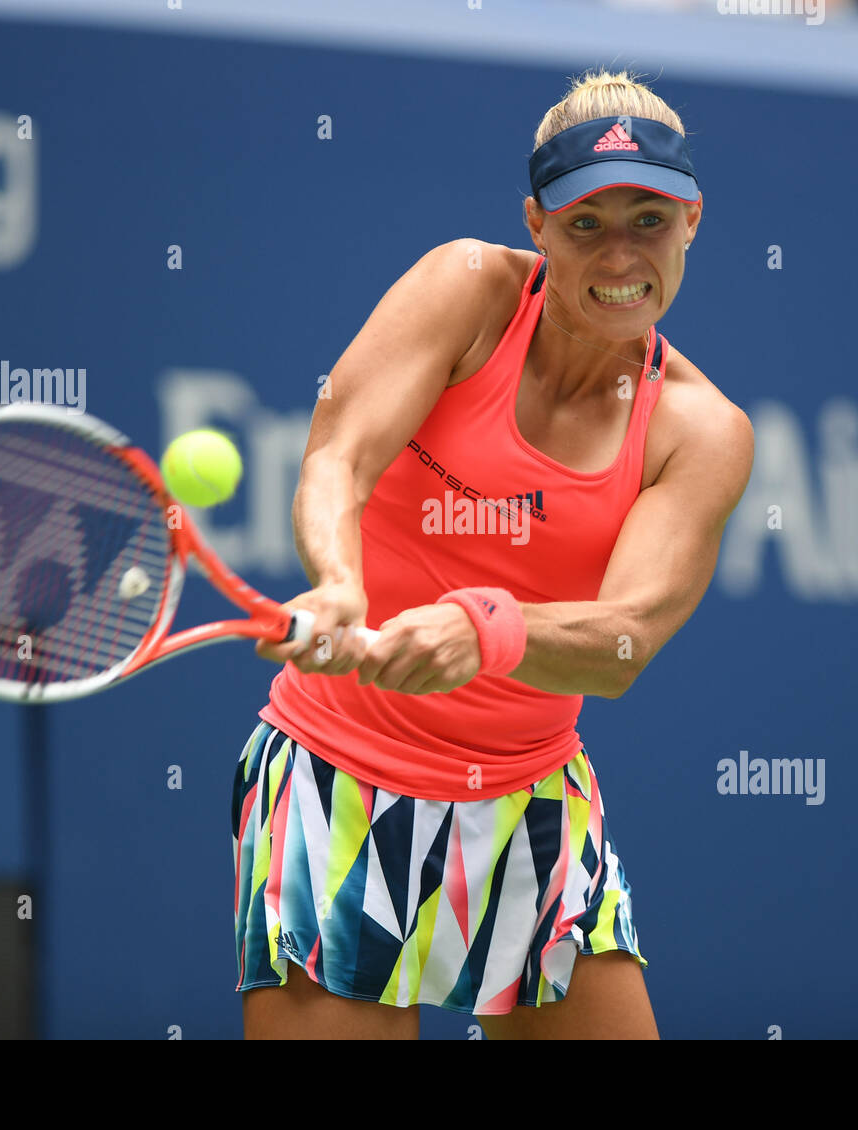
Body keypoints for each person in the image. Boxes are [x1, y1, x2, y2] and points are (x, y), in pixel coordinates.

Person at [235, 68, 754, 1040]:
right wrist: (340, 580)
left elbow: (627, 639)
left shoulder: (702, 428)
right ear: (536, 224)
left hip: (531, 804)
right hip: (336, 778)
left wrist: (487, 629)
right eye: (585, 223)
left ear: (692, 223)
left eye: (649, 219)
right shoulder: (465, 290)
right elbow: (337, 459)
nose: (620, 254)